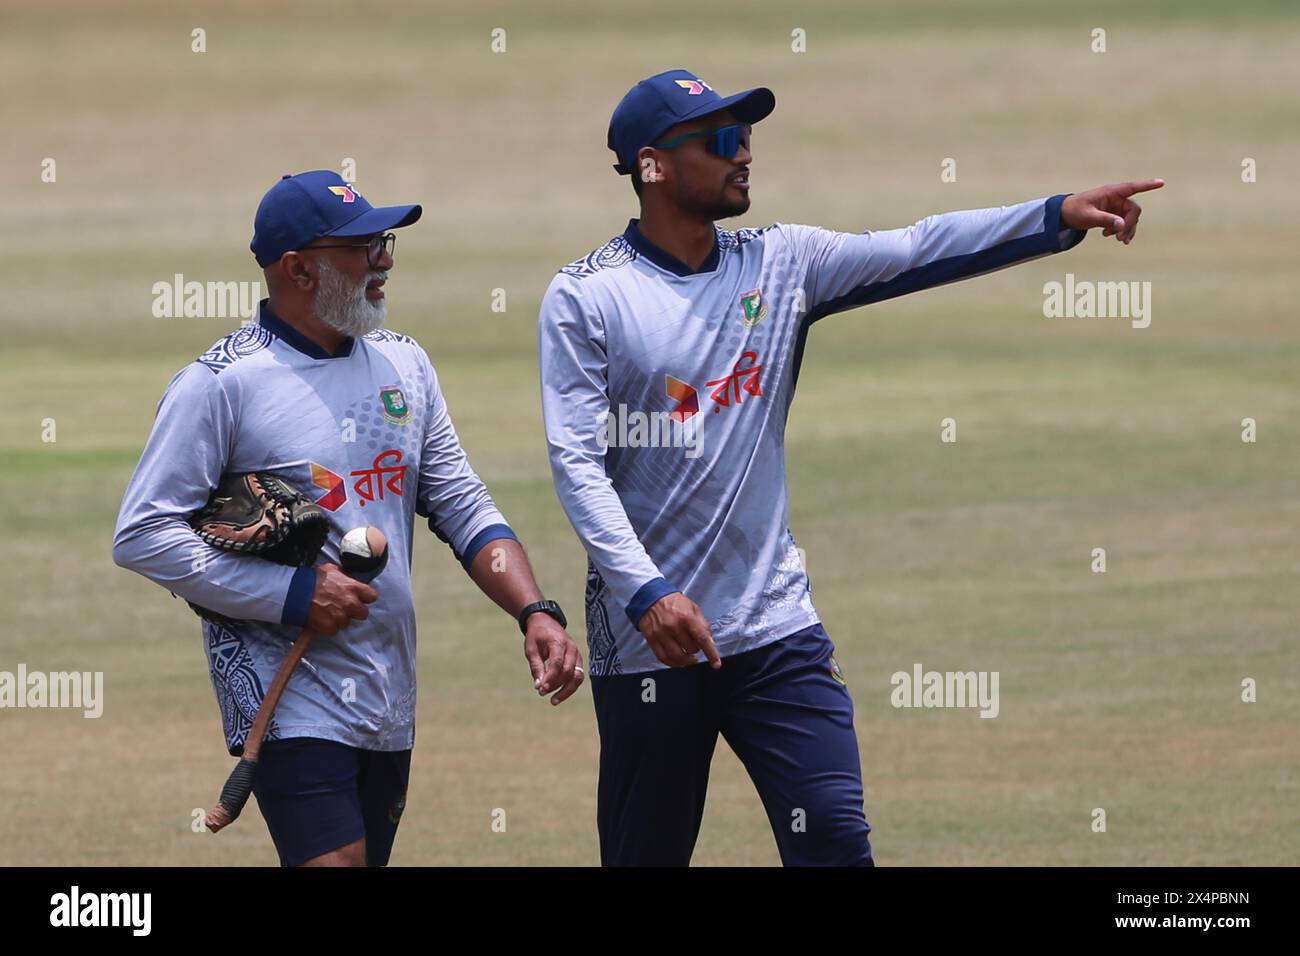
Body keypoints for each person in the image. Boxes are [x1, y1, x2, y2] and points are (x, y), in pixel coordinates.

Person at [538, 69, 1160, 866]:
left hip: (774, 627)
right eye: (722, 140)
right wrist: (649, 595)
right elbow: (577, 466)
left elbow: (916, 247)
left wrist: (1054, 217)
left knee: (832, 836)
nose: (745, 154)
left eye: (749, 135)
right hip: (648, 644)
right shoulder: (588, 297)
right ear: (653, 165)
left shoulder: (781, 263)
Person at [114, 170, 583, 867]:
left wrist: (535, 610)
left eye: (383, 242)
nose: (385, 260)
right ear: (297, 269)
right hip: (284, 691)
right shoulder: (222, 384)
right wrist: (296, 595)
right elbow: (143, 535)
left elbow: (458, 499)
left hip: (386, 689)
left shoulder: (405, 365)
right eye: (362, 247)